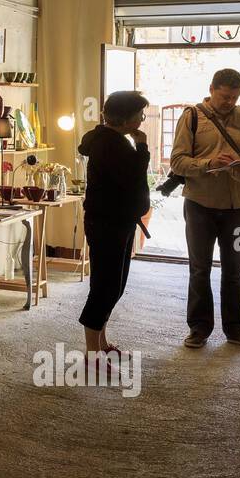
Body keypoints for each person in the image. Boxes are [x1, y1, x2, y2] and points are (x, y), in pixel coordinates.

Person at [169, 68, 240, 350]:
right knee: (199, 269)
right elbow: (177, 162)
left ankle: (236, 329)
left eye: (235, 97)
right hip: (200, 205)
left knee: (235, 272)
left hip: (238, 207)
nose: (229, 102)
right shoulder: (191, 117)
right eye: (225, 96)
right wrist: (209, 165)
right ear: (211, 89)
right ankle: (199, 328)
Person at [76, 91, 150, 356]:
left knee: (113, 286)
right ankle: (91, 353)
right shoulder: (110, 143)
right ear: (126, 117)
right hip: (108, 223)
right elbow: (133, 178)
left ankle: (102, 343)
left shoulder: (113, 139)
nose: (142, 119)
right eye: (139, 115)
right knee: (105, 288)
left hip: (119, 221)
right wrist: (142, 148)